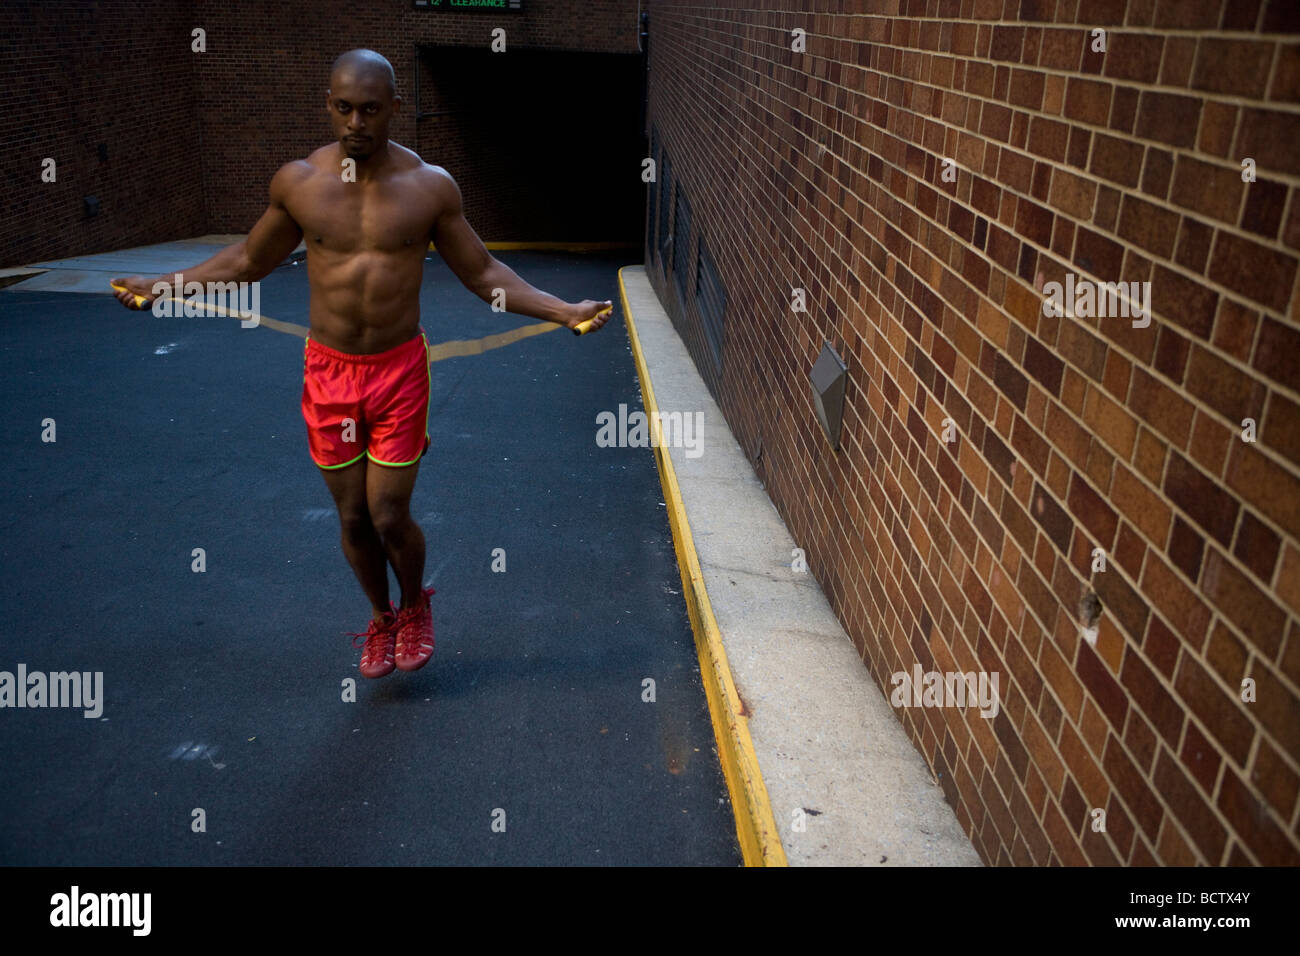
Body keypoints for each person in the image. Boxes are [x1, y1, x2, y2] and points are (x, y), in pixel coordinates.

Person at [112, 48, 614, 679]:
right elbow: (246, 262)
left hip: (398, 372)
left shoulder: (429, 187)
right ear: (328, 105)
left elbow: (483, 273)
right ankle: (380, 617)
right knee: (352, 516)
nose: (356, 123)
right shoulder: (298, 183)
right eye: (344, 108)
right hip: (329, 371)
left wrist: (563, 310)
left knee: (388, 513)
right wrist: (163, 285)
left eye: (371, 109)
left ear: (395, 108)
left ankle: (414, 606)